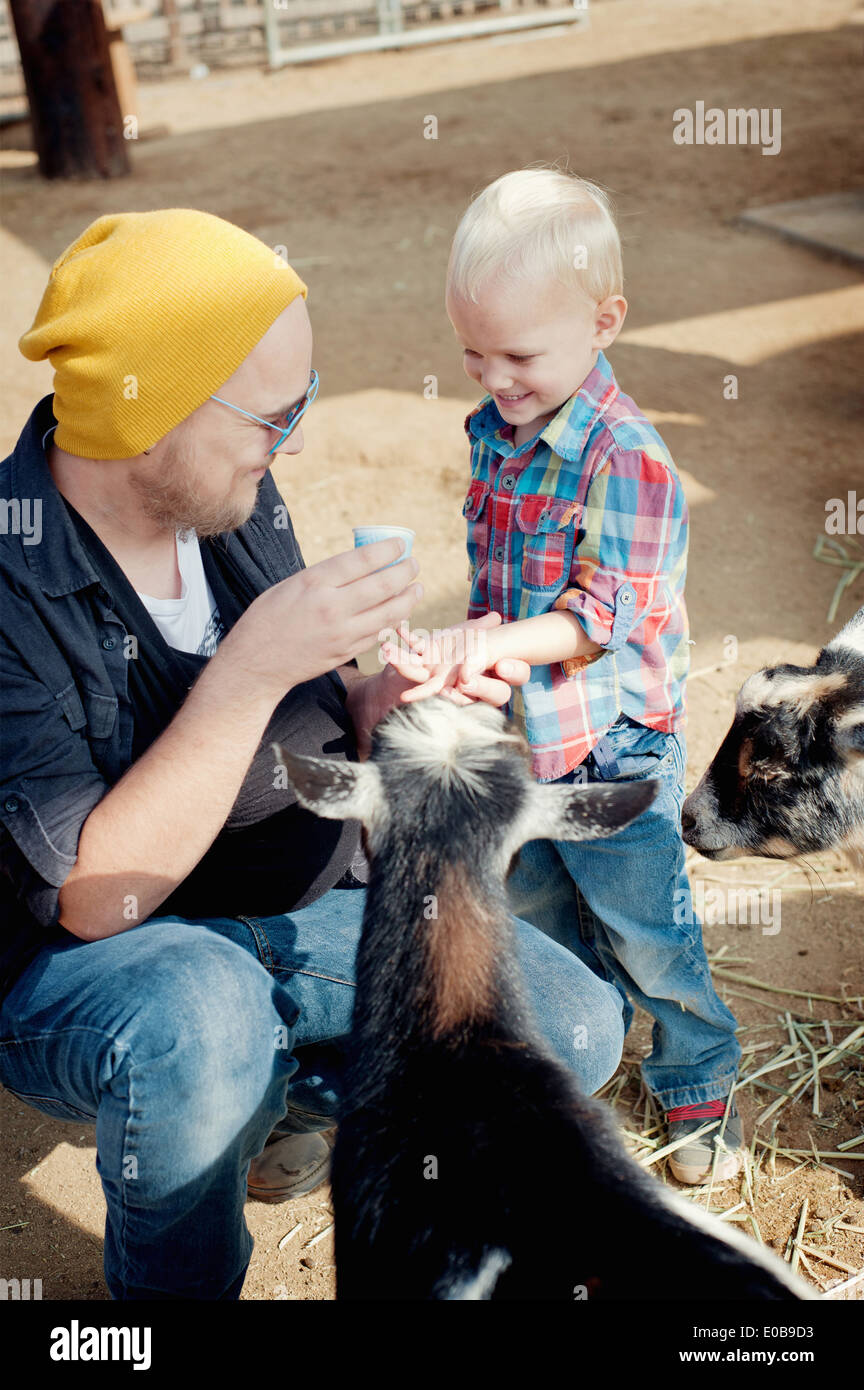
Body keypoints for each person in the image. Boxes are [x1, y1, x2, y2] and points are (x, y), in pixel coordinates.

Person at [0, 209, 628, 1300]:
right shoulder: (12, 574)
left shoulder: (217, 484)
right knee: (204, 1015)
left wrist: (384, 698)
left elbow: (315, 711)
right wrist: (248, 665)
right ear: (148, 415)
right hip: (106, 965)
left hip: (296, 907)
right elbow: (96, 900)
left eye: (303, 403)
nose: (291, 441)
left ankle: (274, 1098)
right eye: (273, 416)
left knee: (571, 1029)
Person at [384, 169, 743, 1185]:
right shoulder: (498, 432)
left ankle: (699, 1077)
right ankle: (588, 1038)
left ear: (606, 319)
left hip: (616, 740)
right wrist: (459, 651)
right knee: (539, 908)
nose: (493, 376)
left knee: (646, 924)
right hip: (528, 740)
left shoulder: (625, 459)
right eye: (472, 351)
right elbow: (499, 584)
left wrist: (486, 647)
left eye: (519, 354)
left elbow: (596, 616)